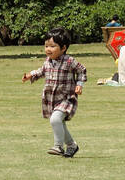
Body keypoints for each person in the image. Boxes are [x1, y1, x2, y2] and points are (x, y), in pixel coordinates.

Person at [22, 27, 87, 157]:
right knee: (58, 122)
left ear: (63, 48)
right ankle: (72, 145)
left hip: (67, 98)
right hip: (52, 98)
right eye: (46, 46)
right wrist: (31, 75)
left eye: (52, 46)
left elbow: (82, 70)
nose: (48, 49)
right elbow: (42, 71)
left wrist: (79, 84)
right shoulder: (48, 61)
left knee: (55, 119)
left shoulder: (69, 61)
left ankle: (58, 146)